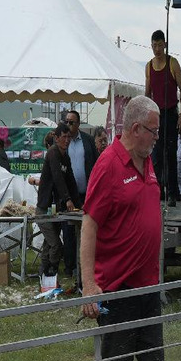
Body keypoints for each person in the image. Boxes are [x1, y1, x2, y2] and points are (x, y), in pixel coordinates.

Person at [80, 95, 165, 361]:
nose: (157, 137)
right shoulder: (109, 165)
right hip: (118, 291)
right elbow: (90, 224)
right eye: (153, 131)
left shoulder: (147, 160)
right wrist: (89, 285)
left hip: (148, 288)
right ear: (136, 128)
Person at [144, 29, 181, 206]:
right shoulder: (148, 66)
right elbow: (147, 93)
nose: (157, 49)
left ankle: (172, 192)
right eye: (154, 46)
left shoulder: (172, 63)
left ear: (165, 45)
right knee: (156, 155)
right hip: (155, 114)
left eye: (160, 45)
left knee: (170, 153)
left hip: (170, 113)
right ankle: (157, 190)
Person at [35, 125, 78, 278]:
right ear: (57, 138)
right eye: (64, 137)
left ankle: (44, 271)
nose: (67, 141)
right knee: (55, 244)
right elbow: (58, 177)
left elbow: (70, 180)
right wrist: (67, 199)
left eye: (69, 138)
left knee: (49, 243)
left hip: (55, 208)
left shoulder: (65, 157)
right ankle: (51, 270)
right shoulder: (53, 153)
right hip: (43, 208)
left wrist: (77, 203)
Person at [62, 110, 98, 278]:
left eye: (71, 122)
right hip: (69, 195)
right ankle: (70, 267)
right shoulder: (63, 141)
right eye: (66, 121)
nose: (68, 125)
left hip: (86, 194)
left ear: (78, 124)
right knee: (69, 232)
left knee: (87, 231)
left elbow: (96, 166)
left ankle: (86, 267)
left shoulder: (88, 141)